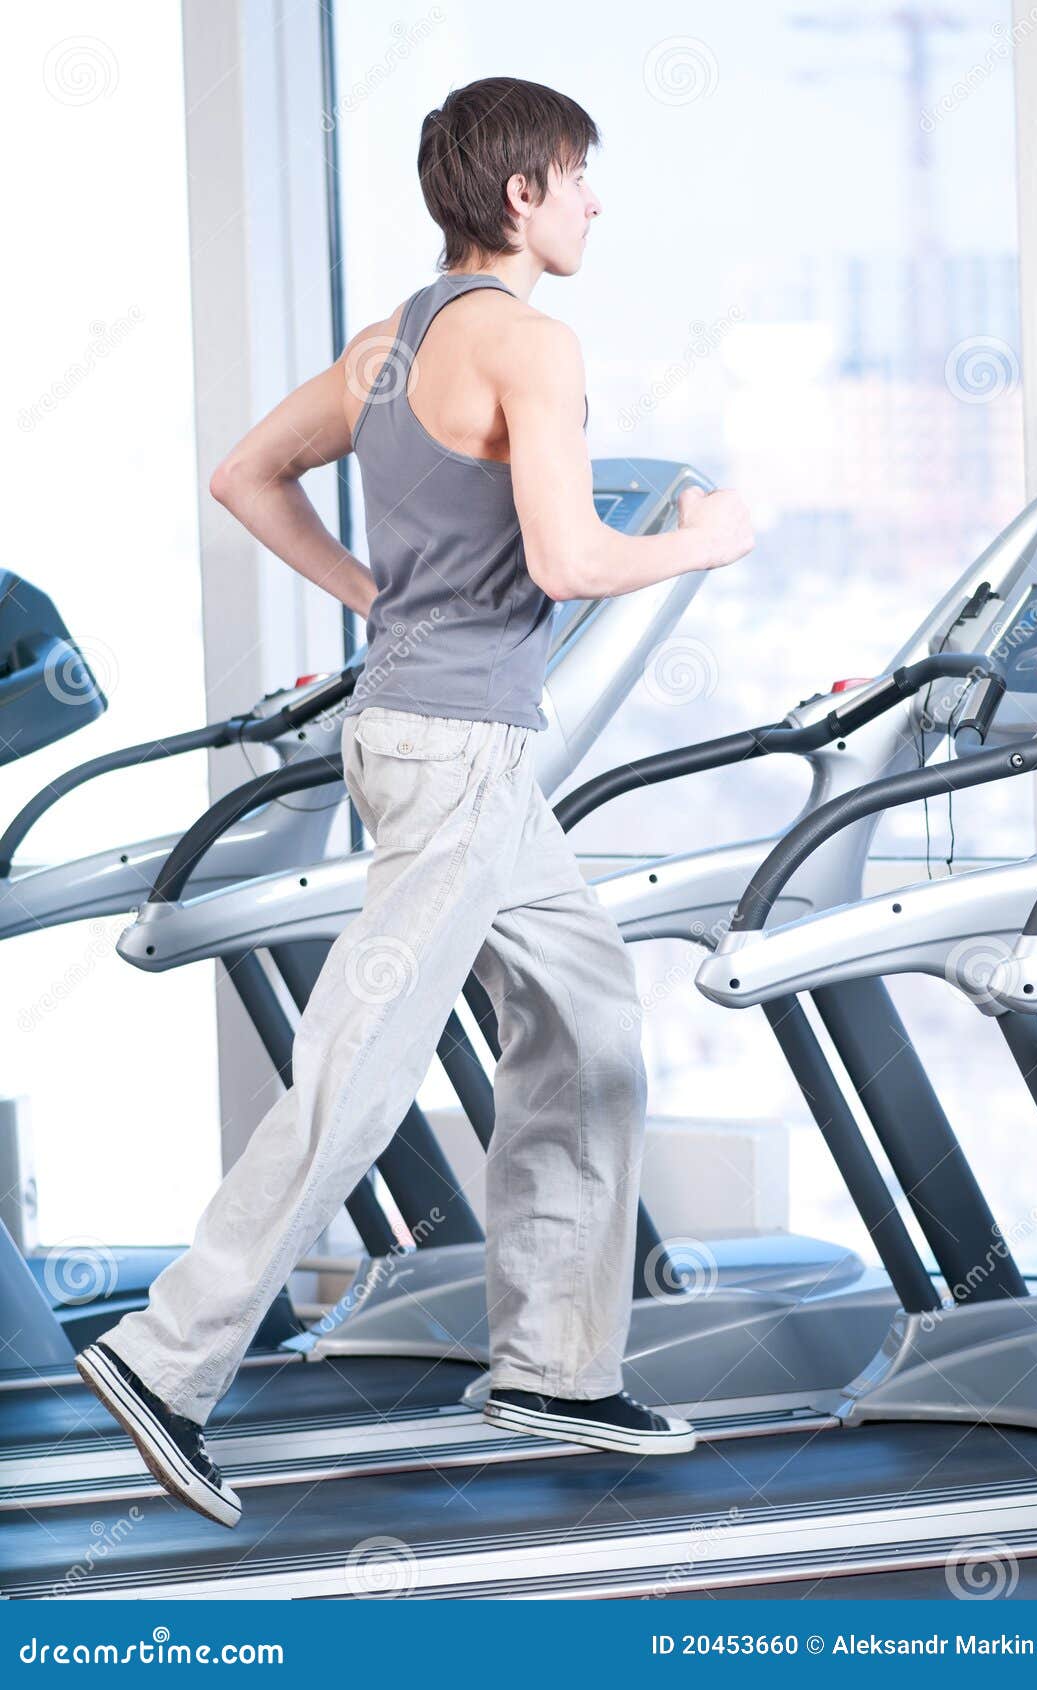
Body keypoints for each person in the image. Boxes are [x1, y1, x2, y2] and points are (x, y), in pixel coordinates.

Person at [76, 75, 754, 1528]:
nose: (592, 200)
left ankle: (555, 1360)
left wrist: (368, 593)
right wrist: (707, 539)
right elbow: (570, 560)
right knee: (363, 1066)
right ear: (521, 194)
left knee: (586, 1018)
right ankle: (165, 1353)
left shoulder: (388, 348)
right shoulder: (534, 344)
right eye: (579, 175)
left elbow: (242, 473)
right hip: (461, 749)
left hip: (448, 737)